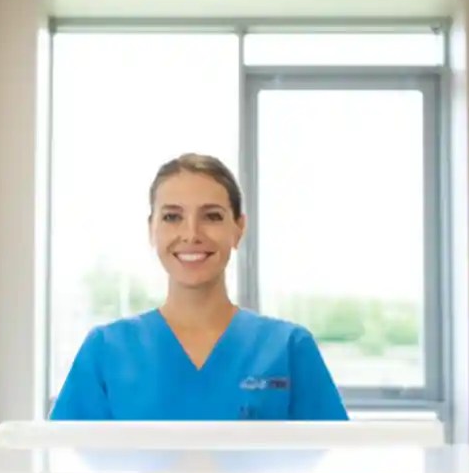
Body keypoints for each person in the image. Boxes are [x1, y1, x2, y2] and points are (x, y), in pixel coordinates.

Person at [50, 153, 349, 421]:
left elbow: (332, 467)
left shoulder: (288, 348)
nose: (191, 234)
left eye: (212, 216)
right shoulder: (106, 350)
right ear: (152, 229)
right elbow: (64, 466)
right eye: (172, 217)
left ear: (238, 229)